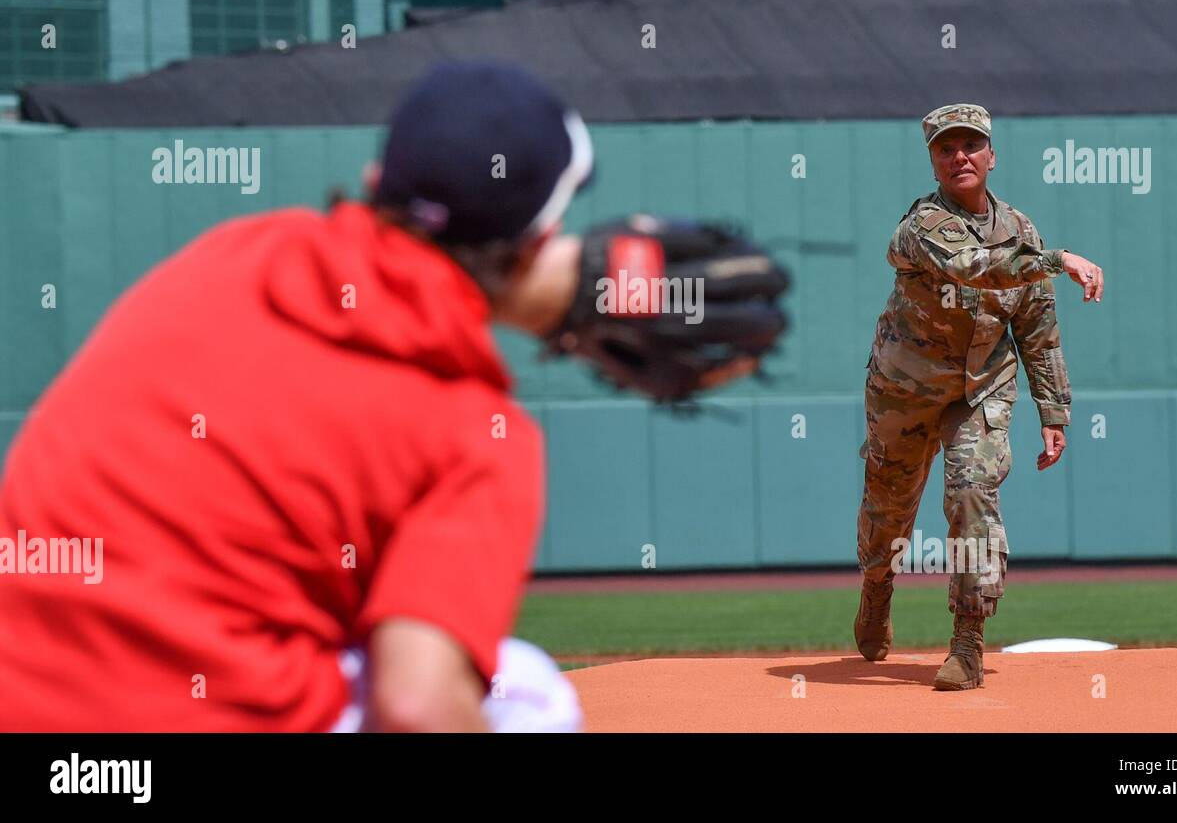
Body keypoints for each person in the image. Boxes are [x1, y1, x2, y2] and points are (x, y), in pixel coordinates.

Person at [0, 60, 764, 731]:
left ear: (376, 182)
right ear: (541, 239)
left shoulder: (233, 255)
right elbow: (417, 706)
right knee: (529, 692)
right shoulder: (474, 431)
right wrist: (543, 304)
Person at [853, 103, 1105, 691]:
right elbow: (973, 266)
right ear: (933, 162)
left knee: (971, 493)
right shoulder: (921, 226)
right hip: (906, 390)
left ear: (992, 156)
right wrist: (1058, 259)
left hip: (981, 388)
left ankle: (967, 642)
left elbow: (1037, 328)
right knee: (889, 512)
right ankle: (876, 585)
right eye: (946, 148)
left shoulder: (1021, 230)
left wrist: (1053, 411)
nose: (959, 156)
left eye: (971, 145)